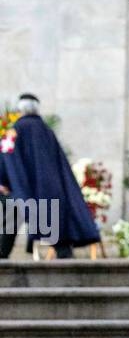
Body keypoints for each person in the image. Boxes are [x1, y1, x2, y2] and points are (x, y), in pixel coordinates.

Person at [0, 93, 100, 259]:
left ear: (20, 110)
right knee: (54, 231)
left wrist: (2, 180)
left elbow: (5, 157)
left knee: (10, 227)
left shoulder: (14, 131)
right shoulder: (47, 132)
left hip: (20, 190)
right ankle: (70, 269)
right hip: (47, 191)